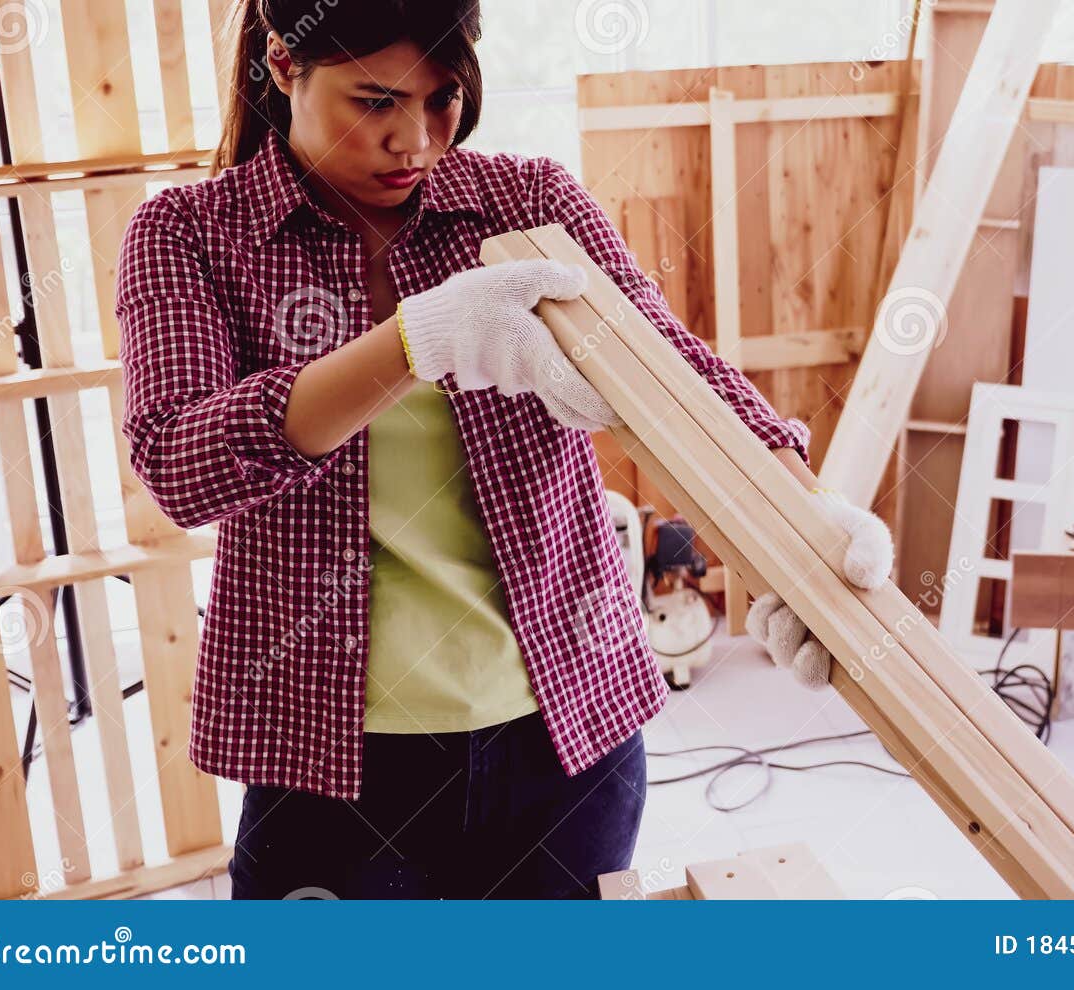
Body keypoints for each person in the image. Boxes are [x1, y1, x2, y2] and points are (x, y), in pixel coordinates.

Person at [114, 0, 891, 899]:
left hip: (565, 736)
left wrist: (802, 521)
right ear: (284, 63)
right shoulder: (191, 235)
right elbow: (182, 462)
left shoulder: (525, 205)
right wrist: (415, 341)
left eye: (443, 97)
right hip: (330, 757)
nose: (415, 141)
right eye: (373, 102)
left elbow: (674, 370)